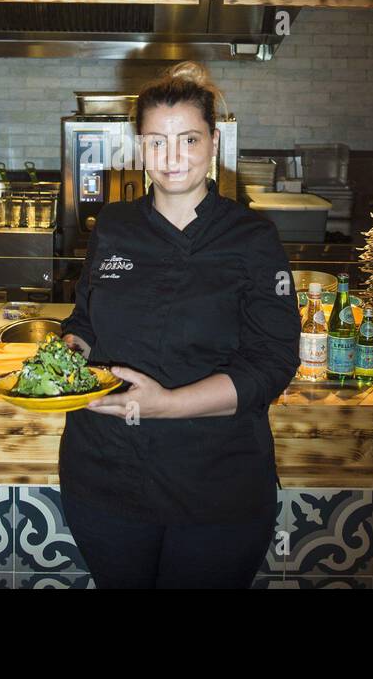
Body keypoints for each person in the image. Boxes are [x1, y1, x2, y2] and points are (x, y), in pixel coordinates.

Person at [58, 61, 301, 589]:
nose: (171, 158)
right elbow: (84, 322)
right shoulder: (114, 226)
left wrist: (167, 404)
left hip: (215, 485)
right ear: (138, 147)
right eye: (156, 142)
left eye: (188, 139)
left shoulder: (253, 237)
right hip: (104, 475)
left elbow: (273, 364)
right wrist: (65, 356)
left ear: (213, 143)